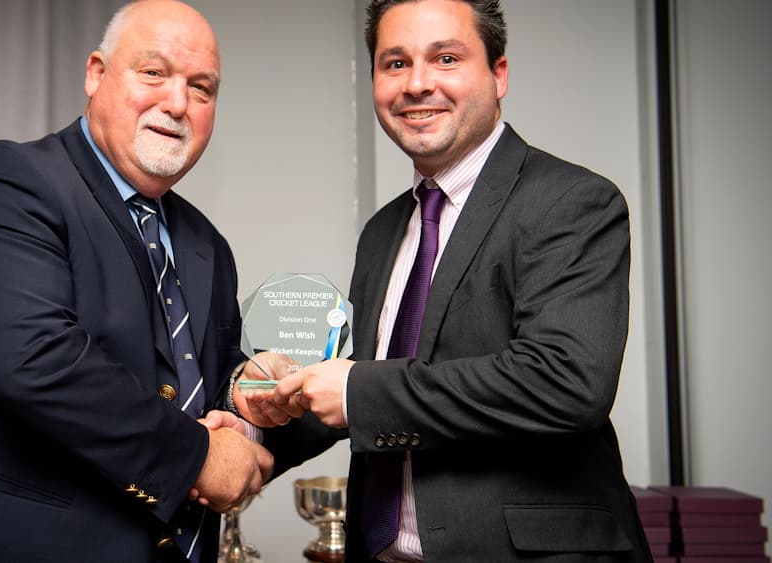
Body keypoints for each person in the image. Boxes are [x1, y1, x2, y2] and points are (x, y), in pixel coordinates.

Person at [235, 0, 654, 561]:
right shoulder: (384, 230)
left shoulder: (571, 201)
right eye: (395, 63)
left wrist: (357, 389)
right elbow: (367, 388)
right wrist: (258, 426)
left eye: (446, 58)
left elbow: (566, 383)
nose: (417, 84)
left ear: (498, 73)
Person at [0, 1, 272, 562]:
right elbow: (36, 361)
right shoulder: (6, 182)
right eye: (154, 73)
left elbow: (199, 389)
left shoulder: (206, 243)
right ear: (96, 73)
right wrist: (199, 457)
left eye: (202, 88)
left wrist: (260, 391)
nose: (178, 103)